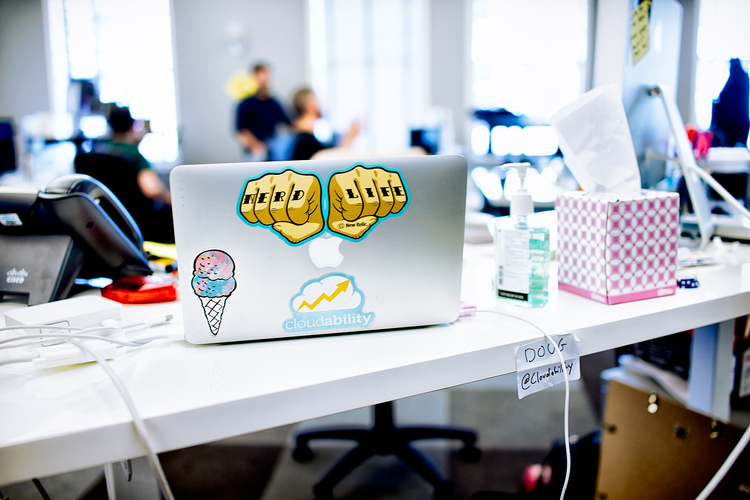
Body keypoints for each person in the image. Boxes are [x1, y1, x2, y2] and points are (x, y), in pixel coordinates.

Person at [75, 105, 174, 243]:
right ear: (133, 126)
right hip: (138, 224)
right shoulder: (134, 155)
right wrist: (171, 198)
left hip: (108, 222)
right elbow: (151, 189)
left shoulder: (98, 153)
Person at [236, 63, 291, 160]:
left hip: (272, 148)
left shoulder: (274, 103)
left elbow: (288, 123)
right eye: (259, 75)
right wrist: (257, 147)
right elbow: (242, 132)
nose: (263, 79)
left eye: (266, 75)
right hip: (254, 152)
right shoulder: (245, 104)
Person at [290, 86, 359, 161]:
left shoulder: (302, 136)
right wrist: (350, 136)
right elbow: (334, 161)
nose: (322, 105)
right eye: (317, 100)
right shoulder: (306, 140)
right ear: (309, 106)